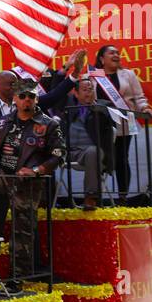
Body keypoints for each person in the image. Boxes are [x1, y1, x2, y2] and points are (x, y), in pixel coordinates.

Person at [0, 78, 66, 286]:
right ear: (15, 99)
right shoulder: (4, 121)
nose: (27, 100)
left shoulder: (49, 124)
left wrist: (37, 170)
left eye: (31, 96)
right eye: (23, 96)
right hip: (2, 175)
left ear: (36, 100)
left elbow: (58, 155)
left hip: (27, 182)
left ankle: (17, 278)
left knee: (22, 232)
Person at [0, 54, 84, 149]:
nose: (14, 87)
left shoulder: (28, 102)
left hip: (26, 162)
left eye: (15, 83)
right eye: (10, 84)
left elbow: (54, 95)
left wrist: (75, 73)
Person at [91, 44, 152, 198]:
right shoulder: (94, 75)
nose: (116, 55)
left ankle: (122, 197)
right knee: (99, 158)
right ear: (101, 58)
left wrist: (145, 107)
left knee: (122, 159)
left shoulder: (128, 74)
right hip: (100, 123)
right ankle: (95, 196)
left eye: (118, 53)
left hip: (125, 122)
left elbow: (139, 97)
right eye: (111, 53)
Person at [62, 78, 116, 211]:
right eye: (84, 90)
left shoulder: (103, 107)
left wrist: (97, 108)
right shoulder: (69, 107)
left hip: (89, 153)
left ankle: (90, 198)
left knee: (93, 152)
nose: (88, 93)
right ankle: (43, 200)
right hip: (68, 152)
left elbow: (111, 122)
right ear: (76, 93)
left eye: (91, 89)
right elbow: (55, 90)